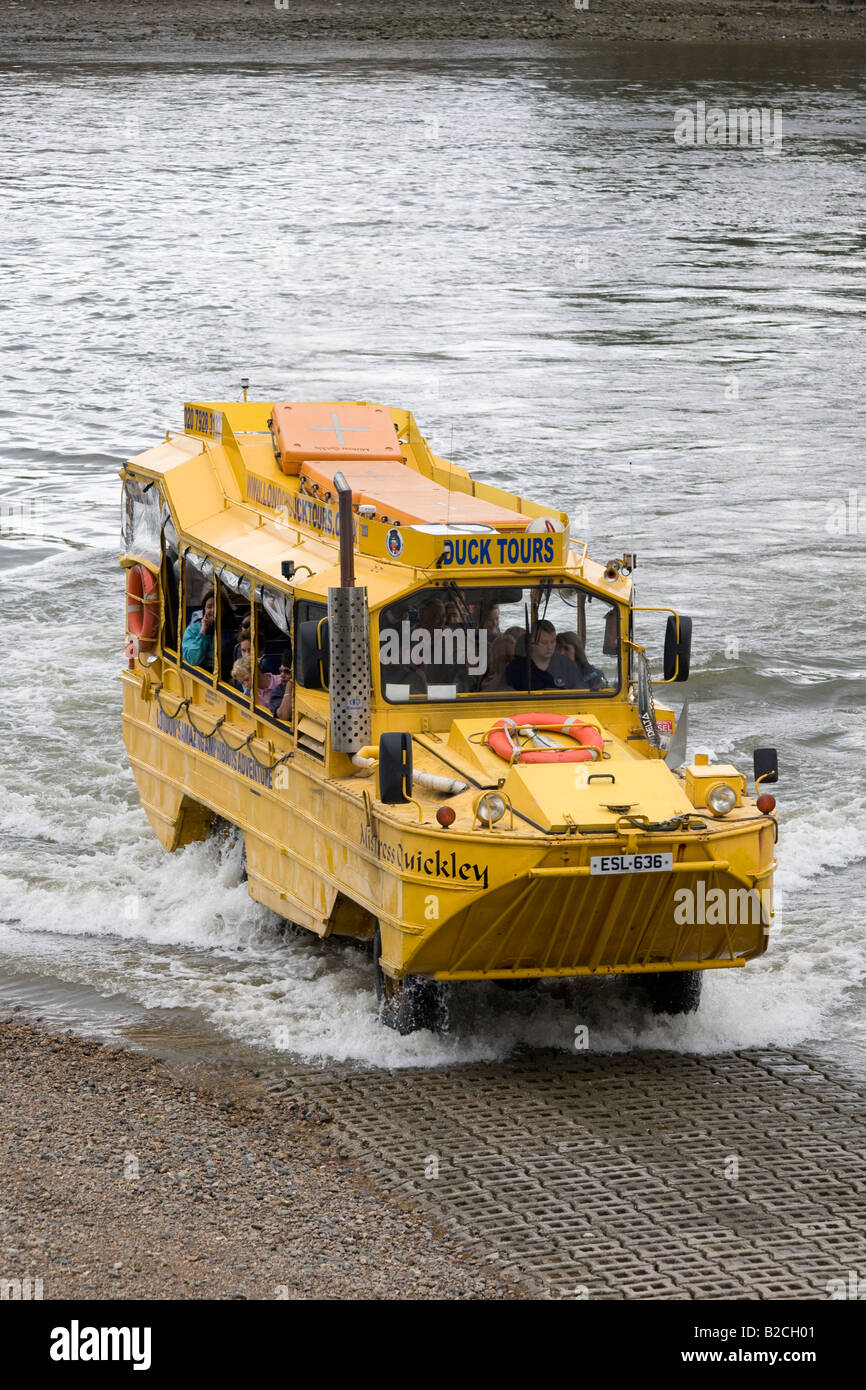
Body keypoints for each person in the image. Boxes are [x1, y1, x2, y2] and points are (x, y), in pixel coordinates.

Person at [503, 618, 583, 692]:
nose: (549, 647)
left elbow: (580, 690)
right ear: (532, 642)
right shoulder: (516, 668)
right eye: (544, 642)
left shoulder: (566, 664)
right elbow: (506, 693)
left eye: (553, 642)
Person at [182, 588, 215, 670]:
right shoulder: (193, 630)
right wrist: (203, 631)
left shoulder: (231, 629)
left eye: (217, 606)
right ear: (204, 610)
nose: (213, 610)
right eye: (209, 607)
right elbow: (193, 659)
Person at [268, 650, 293, 721]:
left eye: (287, 672)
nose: (282, 675)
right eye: (281, 671)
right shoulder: (277, 691)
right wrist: (289, 688)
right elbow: (284, 715)